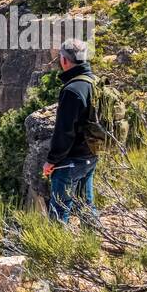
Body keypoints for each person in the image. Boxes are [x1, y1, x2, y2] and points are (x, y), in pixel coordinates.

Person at [42, 38, 99, 225]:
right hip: (91, 154)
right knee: (86, 206)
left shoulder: (72, 90)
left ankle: (55, 251)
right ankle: (95, 242)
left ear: (65, 61)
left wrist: (51, 160)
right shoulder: (94, 82)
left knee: (59, 211)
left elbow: (64, 131)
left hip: (71, 161)